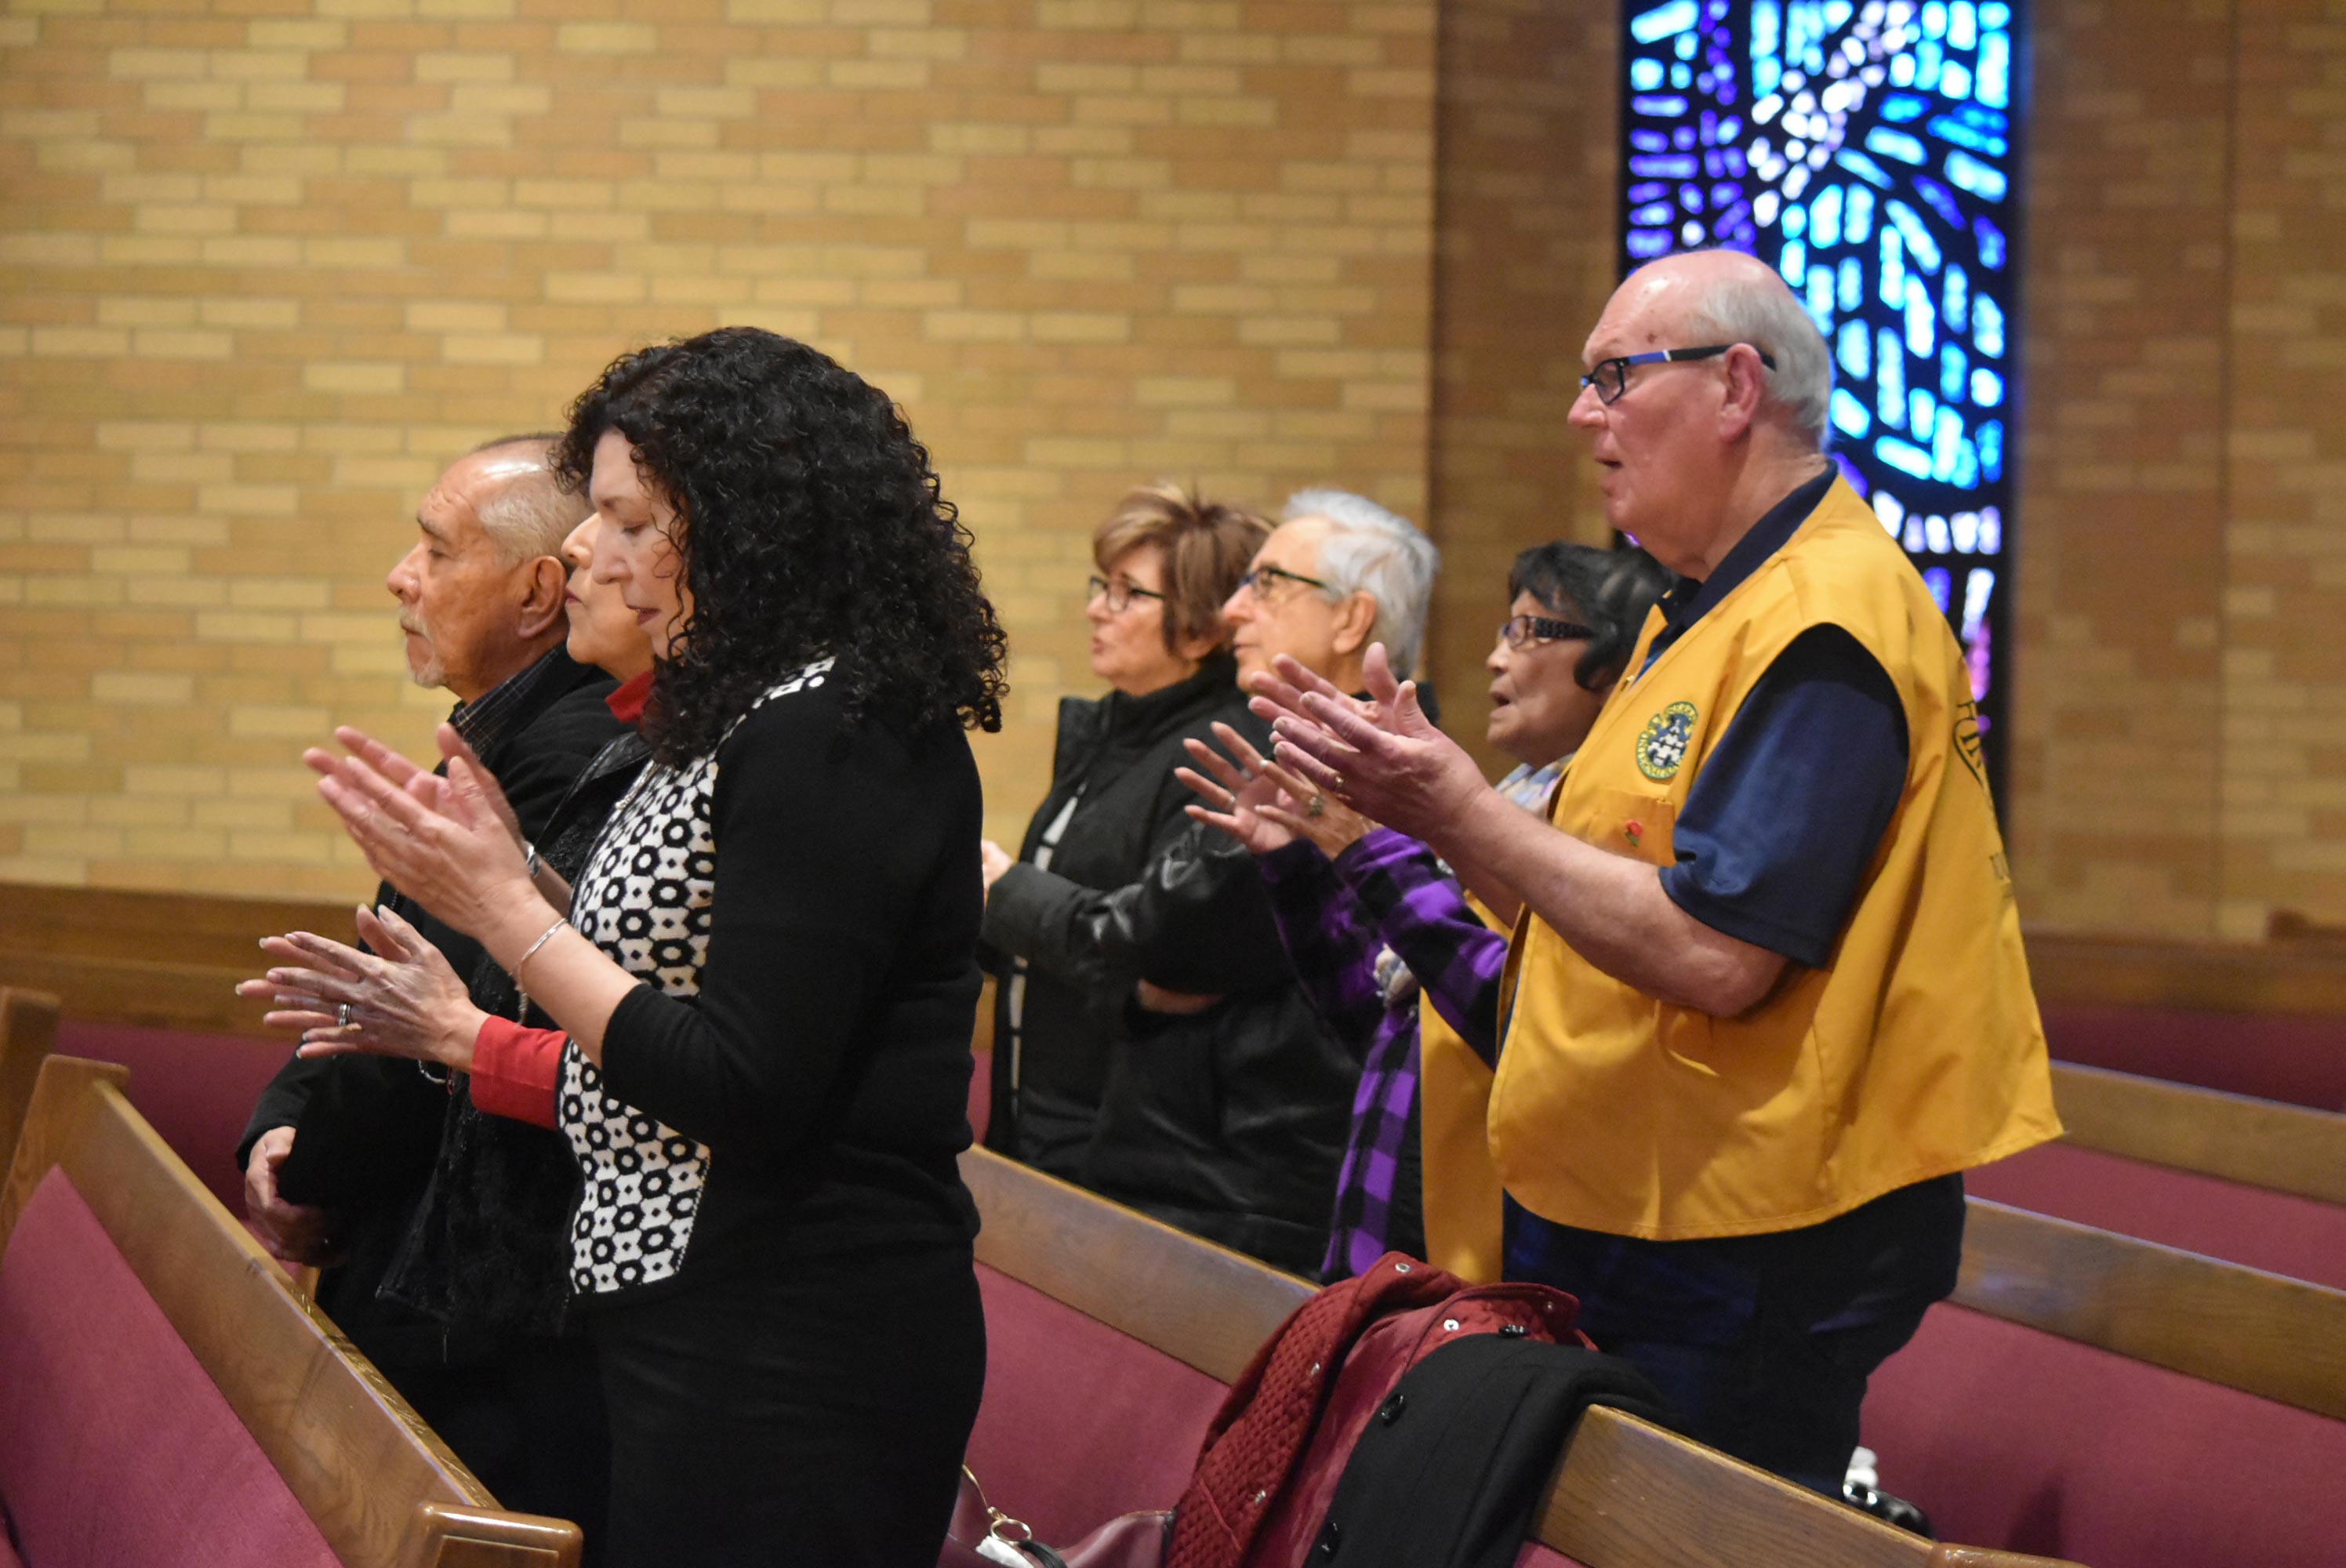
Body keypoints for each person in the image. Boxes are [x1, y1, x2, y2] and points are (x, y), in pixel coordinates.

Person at [1249, 250, 2061, 1494]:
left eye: (1615, 378)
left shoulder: (1826, 621)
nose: (1585, 416)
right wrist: (1438, 814)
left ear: (1737, 387)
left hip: (1750, 1238)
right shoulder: (1703, 613)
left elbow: (1716, 954)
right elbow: (1580, 894)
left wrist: (1456, 803)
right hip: (1645, 1208)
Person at [285, 327, 1007, 1566]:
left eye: (624, 520)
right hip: (701, 1300)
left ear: (743, 523)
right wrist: (509, 884)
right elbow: (673, 976)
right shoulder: (754, 719)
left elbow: (745, 1082)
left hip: (797, 1327)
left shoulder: (835, 728)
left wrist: (506, 911)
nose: (585, 551)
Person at [236, 436, 623, 1530]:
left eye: (436, 548)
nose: (401, 576)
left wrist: (308, 1174)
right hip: (429, 1273)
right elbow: (374, 975)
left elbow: (428, 1035)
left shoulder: (566, 752)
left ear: (538, 592)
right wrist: (277, 1123)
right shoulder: (500, 736)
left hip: (481, 1325)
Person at [1180, 543, 1671, 1279]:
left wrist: (1373, 849)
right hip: (1384, 1232)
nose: (1496, 658)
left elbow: (1515, 1022)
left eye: (1532, 631)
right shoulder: (1515, 797)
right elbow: (1375, 1022)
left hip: (1487, 1264)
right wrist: (1293, 860)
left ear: (1620, 666)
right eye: (1506, 629)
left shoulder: (1605, 843)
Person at [1070, 488, 1440, 1276]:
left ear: (1352, 620)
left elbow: (1153, 936)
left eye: (1267, 584)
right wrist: (1132, 982)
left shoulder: (1388, 782)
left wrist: (1125, 970)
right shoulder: (1280, 753)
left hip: (1252, 1195)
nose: (1235, 610)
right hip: (1191, 1168)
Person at [975, 483, 1268, 1179]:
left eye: (1128, 594)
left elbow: (1162, 955)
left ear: (1201, 629)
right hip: (1037, 1115)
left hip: (1125, 1140)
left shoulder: (1219, 750)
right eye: (1101, 587)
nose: (1096, 610)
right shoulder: (1107, 732)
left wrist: (1007, 891)